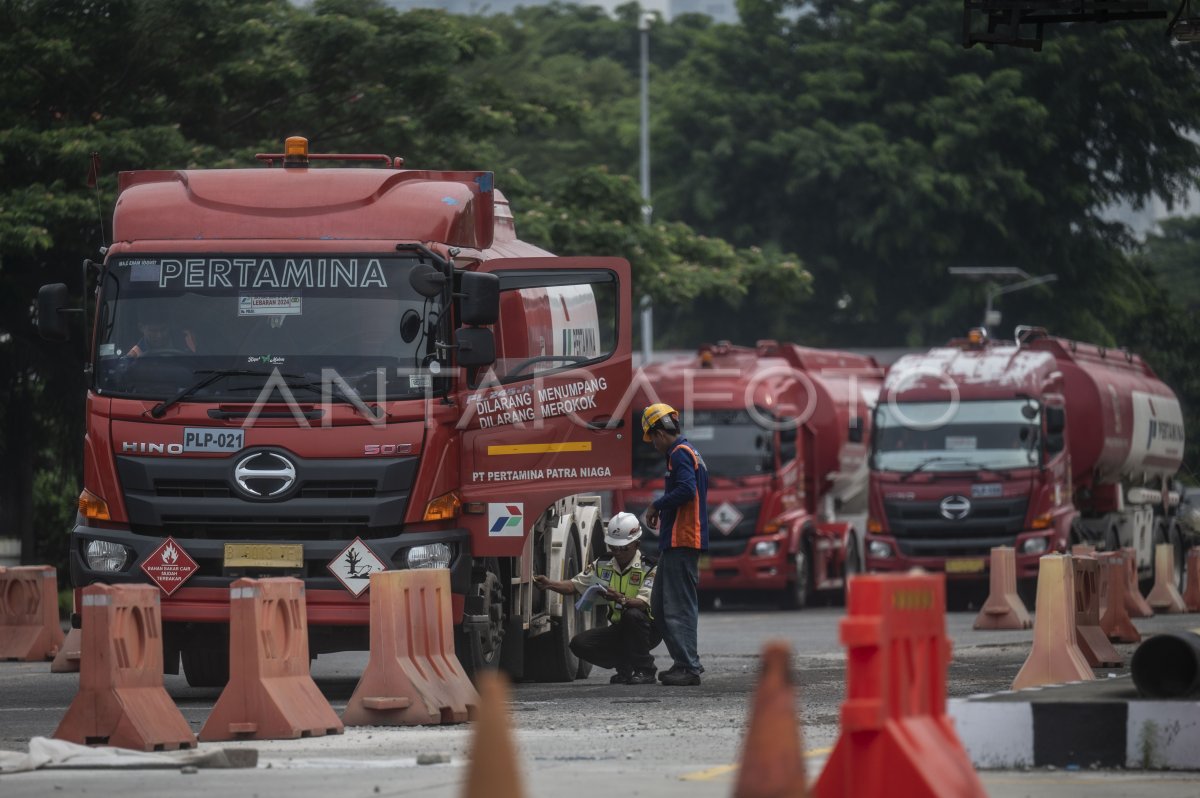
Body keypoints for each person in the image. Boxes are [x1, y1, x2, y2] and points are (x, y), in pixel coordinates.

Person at [533, 512, 661, 685]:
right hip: (620, 628)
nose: (617, 552)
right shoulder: (603, 564)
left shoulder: (650, 566)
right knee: (579, 644)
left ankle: (645, 670)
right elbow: (574, 585)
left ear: (636, 544)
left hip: (646, 629)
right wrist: (549, 584)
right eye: (613, 547)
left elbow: (642, 603)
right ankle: (625, 666)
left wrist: (619, 598)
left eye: (623, 548)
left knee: (633, 615)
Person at [642, 403, 708, 686]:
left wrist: (656, 504)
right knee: (658, 604)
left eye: (651, 438)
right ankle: (683, 663)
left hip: (683, 539)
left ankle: (688, 666)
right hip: (676, 541)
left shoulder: (680, 454)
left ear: (658, 433)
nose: (653, 444)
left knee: (677, 606)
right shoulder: (687, 452)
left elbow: (686, 489)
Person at [128, 305, 196, 357]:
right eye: (153, 331)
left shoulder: (187, 340)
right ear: (141, 327)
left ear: (169, 325)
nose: (159, 336)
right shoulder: (135, 354)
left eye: (163, 329)